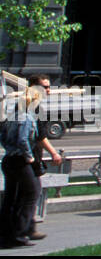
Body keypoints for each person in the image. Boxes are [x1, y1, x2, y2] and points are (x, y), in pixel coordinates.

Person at [1, 85, 45, 247]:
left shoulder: (12, 116)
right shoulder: (27, 118)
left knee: (11, 197)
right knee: (31, 194)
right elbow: (22, 140)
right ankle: (20, 233)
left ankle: (6, 232)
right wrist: (30, 158)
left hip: (9, 160)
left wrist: (9, 150)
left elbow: (3, 137)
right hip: (21, 161)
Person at [26, 75, 64, 175]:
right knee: (32, 190)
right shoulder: (32, 107)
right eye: (45, 87)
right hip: (27, 160)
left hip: (23, 159)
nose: (48, 90)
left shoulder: (29, 105)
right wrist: (54, 153)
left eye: (49, 87)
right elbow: (40, 136)